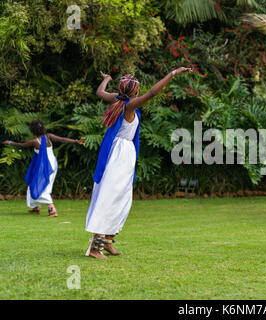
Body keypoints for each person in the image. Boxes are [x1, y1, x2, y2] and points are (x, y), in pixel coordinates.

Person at [85, 67, 192, 259]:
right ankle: (95, 247)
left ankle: (108, 242)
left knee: (121, 199)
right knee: (110, 199)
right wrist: (173, 73)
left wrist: (107, 79)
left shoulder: (118, 100)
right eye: (138, 89)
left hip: (121, 156)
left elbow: (100, 92)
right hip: (119, 157)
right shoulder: (129, 105)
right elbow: (153, 93)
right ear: (133, 92)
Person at [2, 120, 85, 217]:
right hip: (52, 164)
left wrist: (10, 142)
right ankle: (36, 207)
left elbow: (21, 145)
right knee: (35, 183)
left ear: (33, 131)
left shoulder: (35, 141)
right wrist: (76, 141)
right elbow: (62, 139)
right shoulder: (48, 136)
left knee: (43, 186)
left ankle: (52, 209)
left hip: (46, 166)